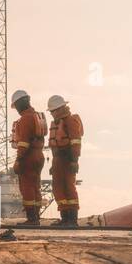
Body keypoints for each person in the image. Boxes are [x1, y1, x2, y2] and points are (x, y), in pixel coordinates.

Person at [9, 89, 47, 225]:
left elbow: (23, 143)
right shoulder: (36, 116)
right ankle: (35, 216)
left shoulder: (25, 119)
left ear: (19, 104)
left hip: (28, 157)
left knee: (27, 187)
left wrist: (18, 161)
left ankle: (32, 219)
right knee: (35, 186)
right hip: (39, 155)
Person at [46, 94, 83, 227]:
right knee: (58, 188)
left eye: (52, 111)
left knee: (69, 187)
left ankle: (72, 219)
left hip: (68, 158)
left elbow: (75, 143)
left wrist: (74, 161)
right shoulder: (59, 122)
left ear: (59, 109)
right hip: (58, 159)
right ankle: (65, 218)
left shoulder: (70, 121)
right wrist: (53, 164)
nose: (51, 114)